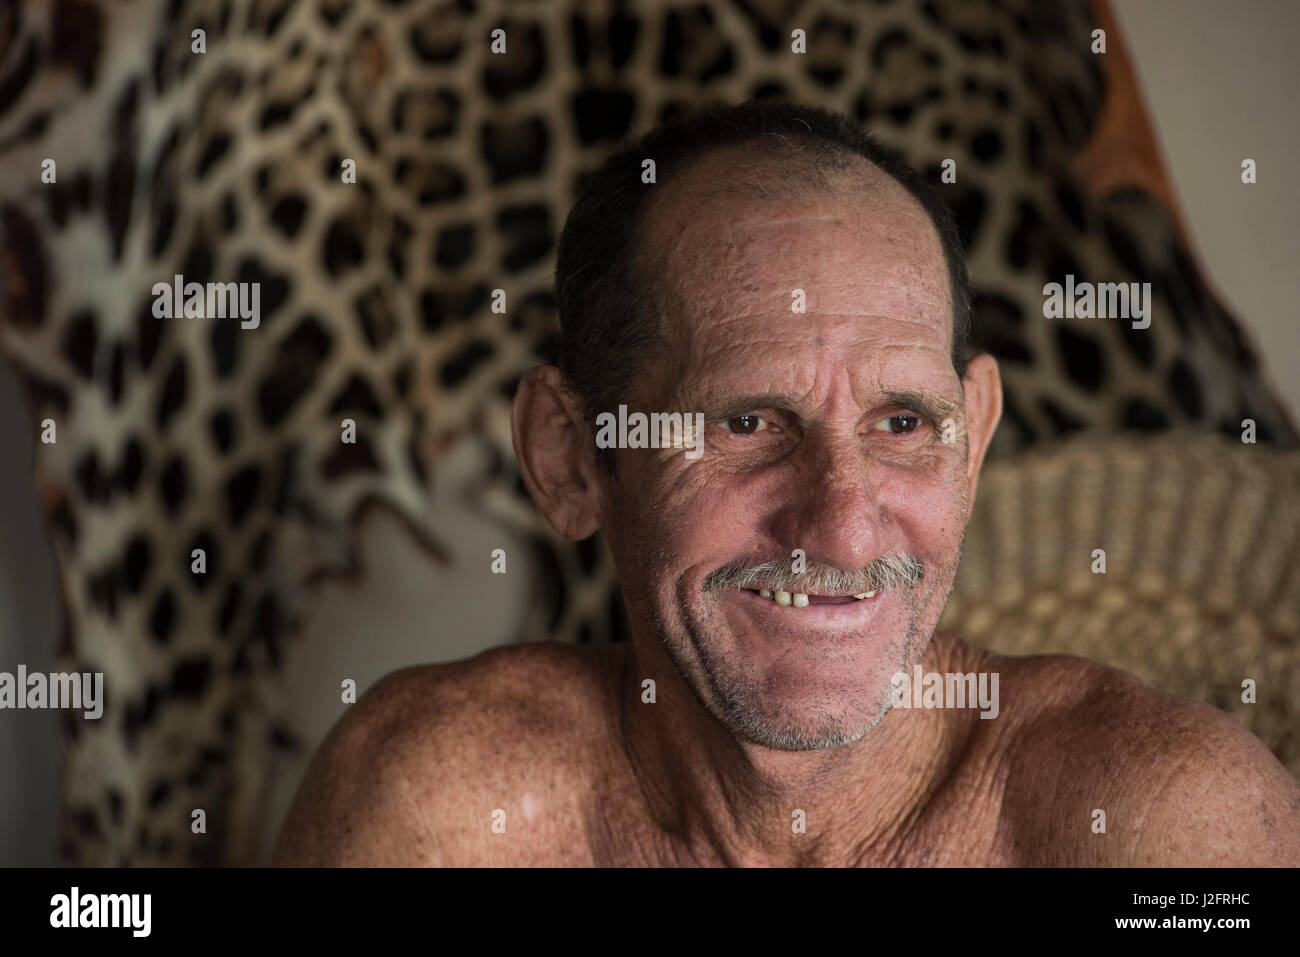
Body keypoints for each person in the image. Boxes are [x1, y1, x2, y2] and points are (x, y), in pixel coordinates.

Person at [274, 102, 1300, 866]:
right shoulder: (438, 819)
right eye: (748, 423)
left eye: (903, 424)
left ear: (972, 440)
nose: (846, 531)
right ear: (572, 459)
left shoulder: (1162, 828)